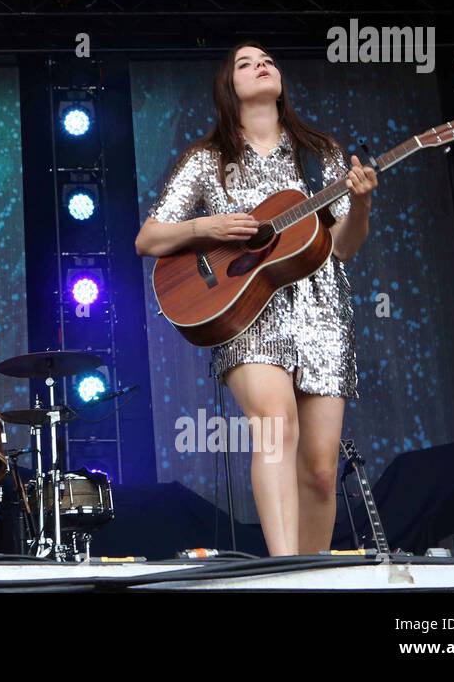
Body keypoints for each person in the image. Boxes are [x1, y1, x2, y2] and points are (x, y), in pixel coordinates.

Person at [134, 42, 377, 556]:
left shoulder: (319, 152)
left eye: (267, 59)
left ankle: (313, 573)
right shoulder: (207, 159)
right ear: (230, 87)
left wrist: (361, 203)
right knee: (275, 427)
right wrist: (207, 225)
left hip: (322, 309)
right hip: (248, 308)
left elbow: (344, 247)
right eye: (245, 63)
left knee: (319, 468)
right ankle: (284, 570)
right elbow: (149, 238)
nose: (260, 65)